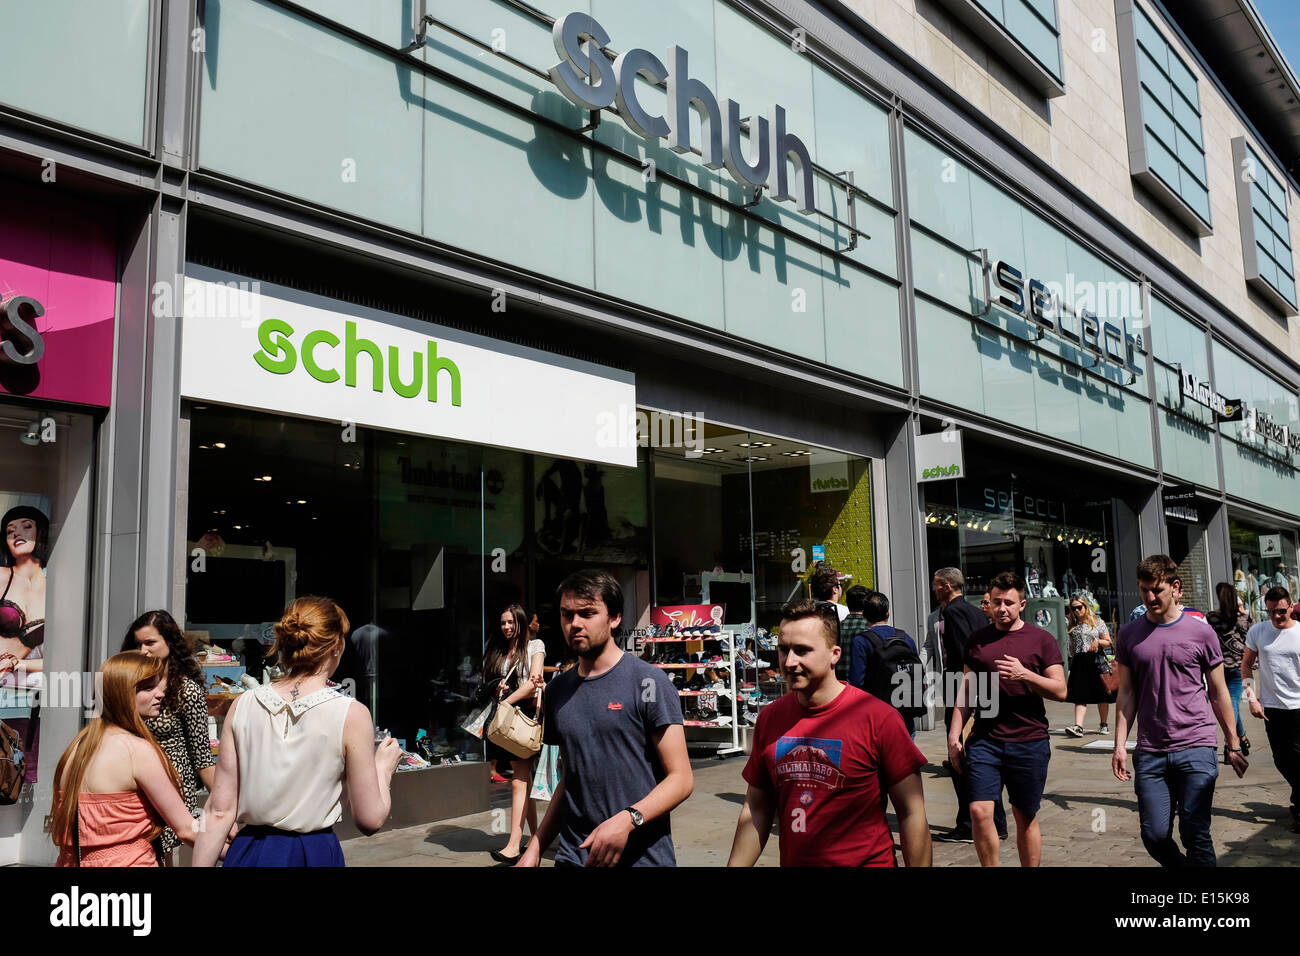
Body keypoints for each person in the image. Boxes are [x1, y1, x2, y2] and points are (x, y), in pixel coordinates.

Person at [193, 596, 401, 867]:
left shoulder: (243, 704)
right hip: (311, 853)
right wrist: (383, 768)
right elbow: (369, 819)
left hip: (249, 852)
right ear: (336, 646)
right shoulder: (351, 713)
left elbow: (219, 811)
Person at [727, 599, 930, 867]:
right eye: (783, 649)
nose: (789, 662)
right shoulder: (769, 719)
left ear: (835, 654)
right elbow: (757, 808)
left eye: (802, 651)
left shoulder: (879, 719)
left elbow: (912, 813)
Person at [517, 569, 692, 867]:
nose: (575, 624)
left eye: (587, 613)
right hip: (574, 854)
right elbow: (570, 778)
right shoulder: (557, 690)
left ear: (614, 618)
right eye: (567, 614)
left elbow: (681, 779)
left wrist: (627, 820)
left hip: (642, 857)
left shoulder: (648, 683)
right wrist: (535, 846)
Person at [1112, 555, 1248, 867]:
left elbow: (1217, 691)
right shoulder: (1130, 635)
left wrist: (1233, 742)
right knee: (1155, 835)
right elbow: (1127, 693)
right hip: (1151, 750)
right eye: (1144, 590)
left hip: (1197, 744)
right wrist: (1120, 744)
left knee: (1195, 832)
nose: (1149, 597)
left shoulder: (1201, 632)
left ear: (1176, 588)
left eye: (1156, 590)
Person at [948, 571, 1066, 867]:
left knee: (1024, 815)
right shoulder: (977, 640)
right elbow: (966, 690)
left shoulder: (1041, 640)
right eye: (996, 602)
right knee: (978, 811)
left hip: (1029, 741)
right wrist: (954, 735)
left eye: (1009, 603)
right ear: (988, 603)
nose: (1002, 608)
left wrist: (1024, 674)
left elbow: (1061, 690)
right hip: (985, 740)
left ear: (1022, 604)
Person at [49, 652, 199, 866]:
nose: (160, 694)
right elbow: (186, 829)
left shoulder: (77, 748)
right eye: (148, 688)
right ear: (122, 694)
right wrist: (235, 851)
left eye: (158, 686)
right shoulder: (136, 751)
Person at [119, 609, 215, 860]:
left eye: (150, 642)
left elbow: (202, 758)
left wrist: (225, 806)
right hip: (130, 783)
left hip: (171, 786)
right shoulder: (125, 684)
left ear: (169, 643)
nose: (143, 651)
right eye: (137, 644)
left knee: (161, 855)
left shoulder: (187, 690)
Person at [932, 567, 1006, 842]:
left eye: (937, 584)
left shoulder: (952, 612)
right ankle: (997, 822)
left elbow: (966, 652)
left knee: (960, 757)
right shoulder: (976, 610)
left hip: (964, 689)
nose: (934, 588)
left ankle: (967, 825)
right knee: (983, 755)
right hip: (981, 688)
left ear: (947, 586)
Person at [484, 602, 546, 863]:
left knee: (519, 779)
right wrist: (497, 690)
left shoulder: (535, 646)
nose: (507, 627)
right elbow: (492, 680)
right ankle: (536, 839)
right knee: (523, 779)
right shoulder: (500, 650)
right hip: (503, 717)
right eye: (503, 623)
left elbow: (534, 682)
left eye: (511, 622)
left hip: (519, 716)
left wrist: (506, 702)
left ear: (520, 622)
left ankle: (513, 845)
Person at [1242, 587, 1300, 833]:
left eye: (1281, 611)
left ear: (1291, 606)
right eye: (1271, 611)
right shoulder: (1258, 631)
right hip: (1272, 706)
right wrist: (1252, 698)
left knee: (1297, 757)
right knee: (1281, 759)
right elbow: (1245, 666)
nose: (1276, 616)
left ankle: (1298, 807)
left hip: (1299, 705)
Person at [849, 589, 920, 736]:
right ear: (888, 613)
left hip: (877, 713)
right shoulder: (905, 638)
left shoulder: (861, 641)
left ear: (864, 615)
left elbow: (857, 682)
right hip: (906, 710)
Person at [0, 505, 48, 687]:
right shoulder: (2, 576)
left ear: (41, 533)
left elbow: (62, 660)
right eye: (10, 530)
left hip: (14, 687)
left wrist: (17, 663)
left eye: (26, 526)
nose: (16, 534)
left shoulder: (56, 590)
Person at [1206, 582, 1251, 758]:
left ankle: (1232, 741)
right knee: (1231, 704)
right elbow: (1250, 642)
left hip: (1218, 667)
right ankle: (1239, 737)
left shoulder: (1211, 618)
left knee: (1230, 704)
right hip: (1239, 666)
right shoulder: (1243, 619)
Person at [1063, 593, 1114, 737]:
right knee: (1080, 694)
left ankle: (1103, 724)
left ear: (1086, 606)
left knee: (1102, 694)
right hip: (1079, 661)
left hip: (1096, 660)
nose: (1076, 611)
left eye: (1079, 607)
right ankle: (1078, 726)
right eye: (1073, 609)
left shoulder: (1097, 622)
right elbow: (1072, 647)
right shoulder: (1073, 625)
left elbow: (1108, 641)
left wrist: (1098, 642)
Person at [837, 585, 873, 681]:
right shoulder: (870, 630)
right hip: (863, 685)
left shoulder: (835, 629)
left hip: (839, 684)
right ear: (867, 605)